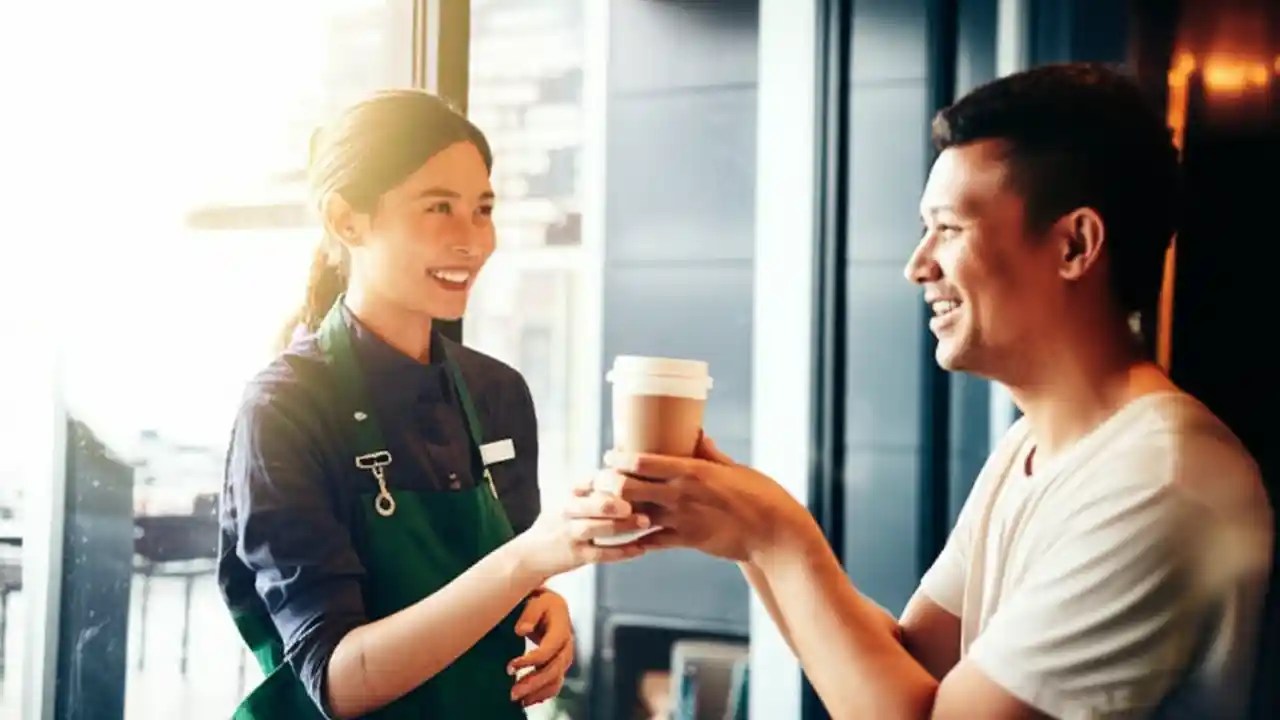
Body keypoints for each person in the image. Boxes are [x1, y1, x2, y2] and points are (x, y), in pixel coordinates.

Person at [589, 64, 1275, 718]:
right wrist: (743, 534)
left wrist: (778, 536)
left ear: (1075, 246)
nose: (917, 265)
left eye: (948, 228)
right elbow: (907, 669)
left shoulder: (1158, 482)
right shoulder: (1036, 445)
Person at [218, 90, 650, 720]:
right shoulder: (285, 409)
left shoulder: (497, 394)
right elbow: (337, 681)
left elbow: (504, 582)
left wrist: (541, 608)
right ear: (347, 220)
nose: (472, 239)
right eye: (438, 207)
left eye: (482, 209)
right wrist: (532, 556)